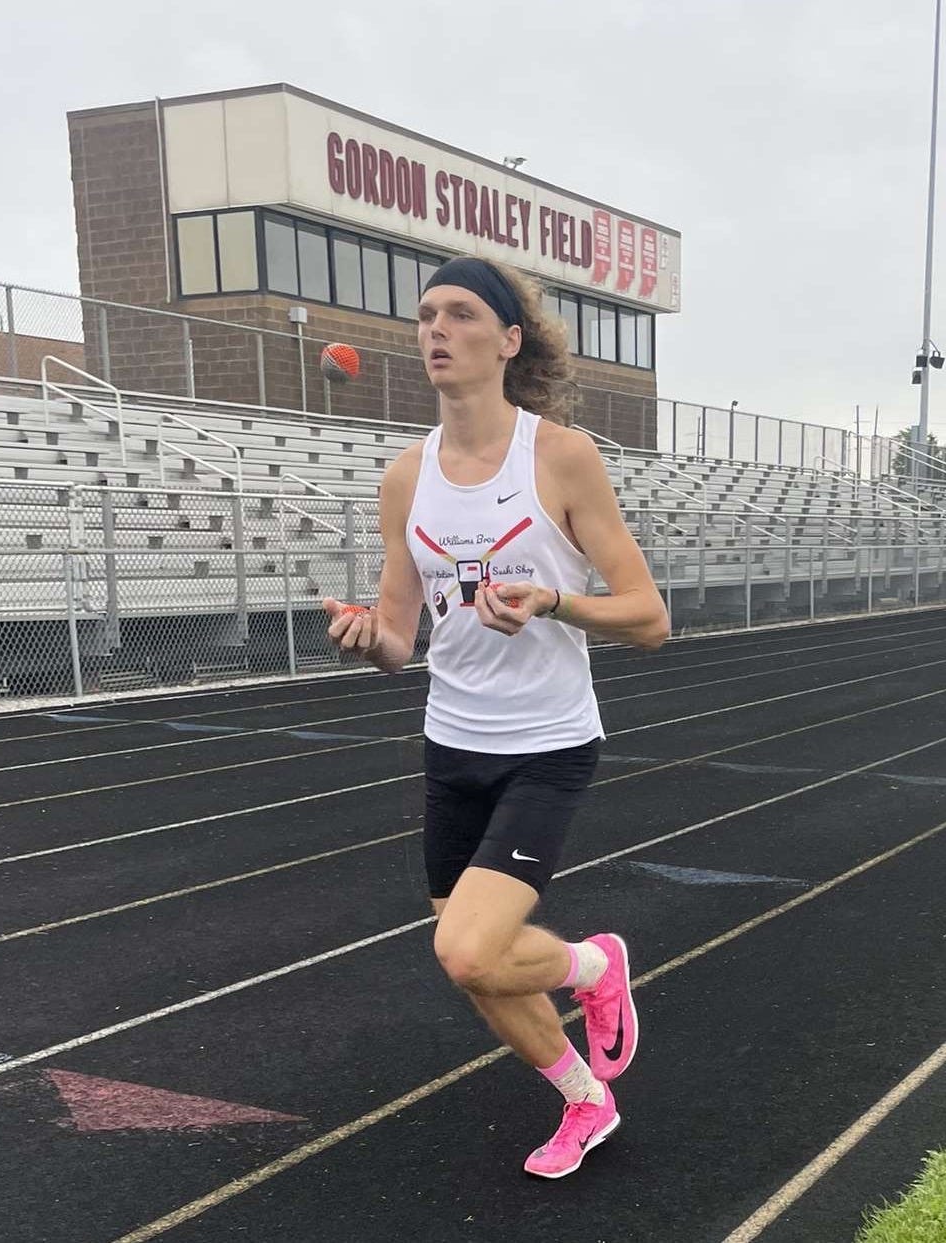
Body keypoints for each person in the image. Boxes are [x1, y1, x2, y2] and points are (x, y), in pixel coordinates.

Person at [323, 255, 670, 1179]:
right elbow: (403, 636)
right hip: (454, 744)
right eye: (427, 314)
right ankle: (585, 1097)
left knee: (468, 951)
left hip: (547, 745)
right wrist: (368, 637)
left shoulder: (558, 456)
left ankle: (596, 969)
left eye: (462, 314)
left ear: (509, 341)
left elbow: (650, 616)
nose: (436, 328)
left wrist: (556, 602)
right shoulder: (407, 477)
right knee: (474, 956)